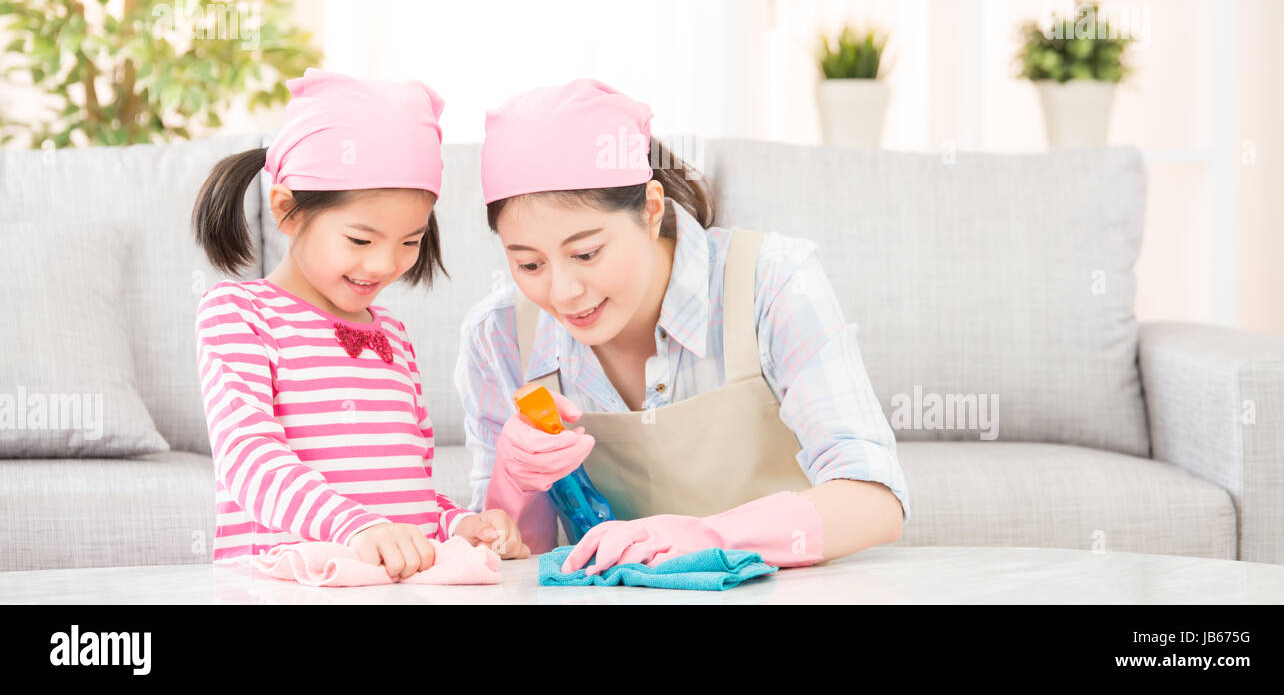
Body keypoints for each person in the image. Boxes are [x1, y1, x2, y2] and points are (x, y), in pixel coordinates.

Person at [454, 77, 909, 575]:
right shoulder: (499, 335)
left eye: (586, 253)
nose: (562, 292)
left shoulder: (771, 282)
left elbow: (875, 499)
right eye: (529, 264)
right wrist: (515, 480)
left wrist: (701, 537)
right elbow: (523, 559)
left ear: (651, 210)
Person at [192, 68, 527, 580]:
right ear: (286, 210)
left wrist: (458, 523)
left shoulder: (392, 334)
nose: (383, 265)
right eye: (360, 240)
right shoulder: (239, 313)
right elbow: (250, 461)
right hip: (288, 583)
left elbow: (405, 495)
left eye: (410, 241)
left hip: (387, 584)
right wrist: (357, 528)